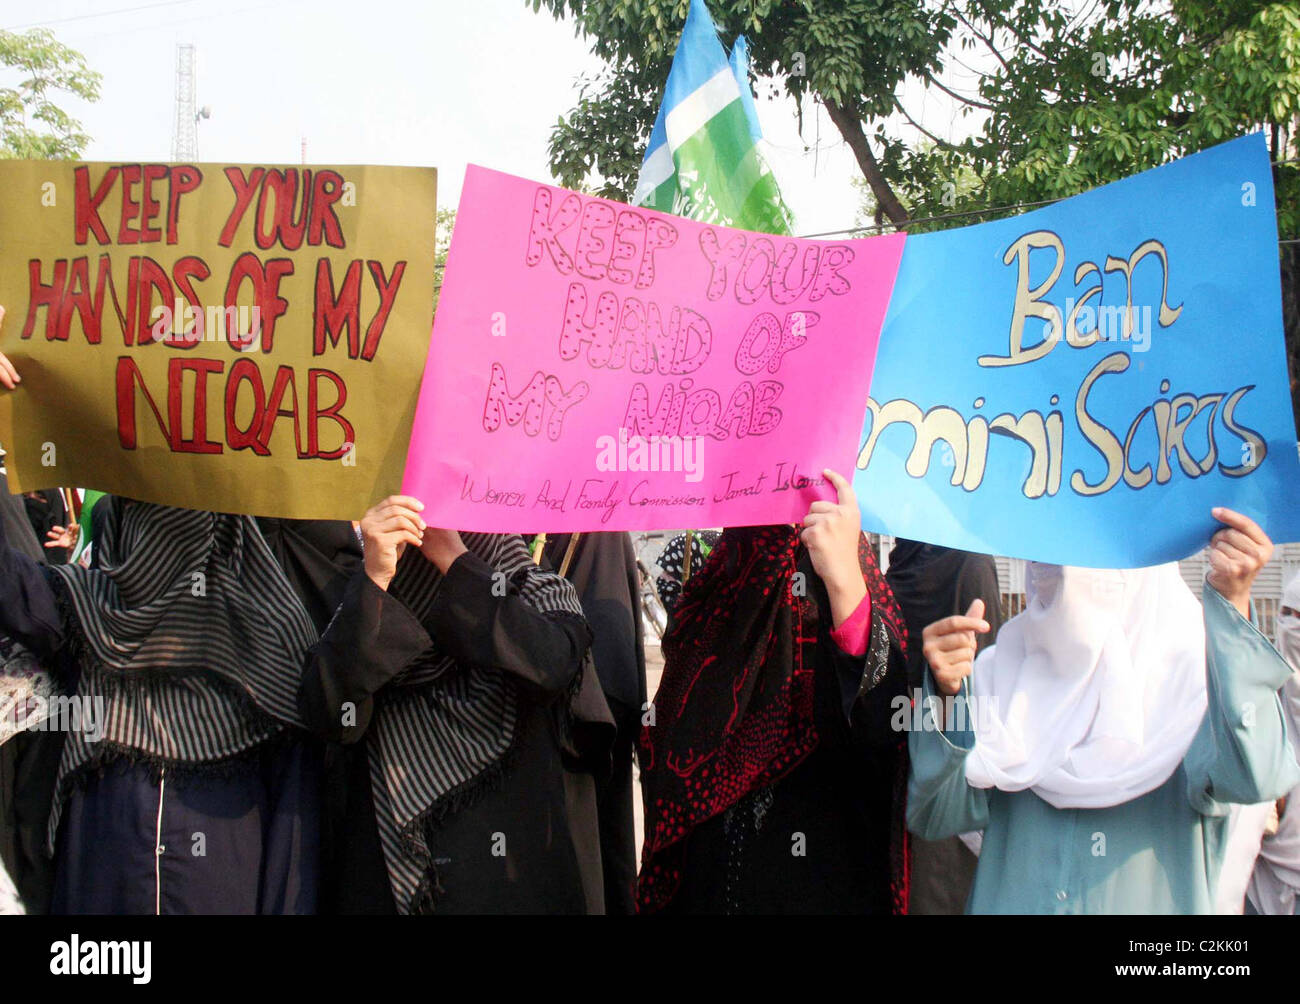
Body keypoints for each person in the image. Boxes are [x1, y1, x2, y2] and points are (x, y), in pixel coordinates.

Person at [909, 508, 1300, 913]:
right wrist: (946, 694)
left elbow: (1257, 778)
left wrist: (1233, 607)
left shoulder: (1197, 680)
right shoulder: (1002, 674)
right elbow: (934, 814)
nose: (1053, 575)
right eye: (1045, 558)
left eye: (1079, 559)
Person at [299, 496, 613, 915]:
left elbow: (550, 665)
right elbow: (329, 712)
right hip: (389, 876)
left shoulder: (534, 586)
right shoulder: (363, 588)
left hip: (508, 877)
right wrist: (374, 577)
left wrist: (455, 559)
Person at [637, 471, 910, 914]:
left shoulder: (851, 589)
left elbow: (885, 730)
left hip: (817, 879)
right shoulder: (719, 591)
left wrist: (844, 587)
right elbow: (668, 748)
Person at [886, 540, 1003, 913]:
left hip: (948, 764)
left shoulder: (970, 563)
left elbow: (987, 675)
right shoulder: (895, 565)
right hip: (893, 755)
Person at [538, 532, 645, 914]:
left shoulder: (586, 529)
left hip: (583, 704)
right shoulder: (604, 528)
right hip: (608, 694)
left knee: (583, 845)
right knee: (607, 844)